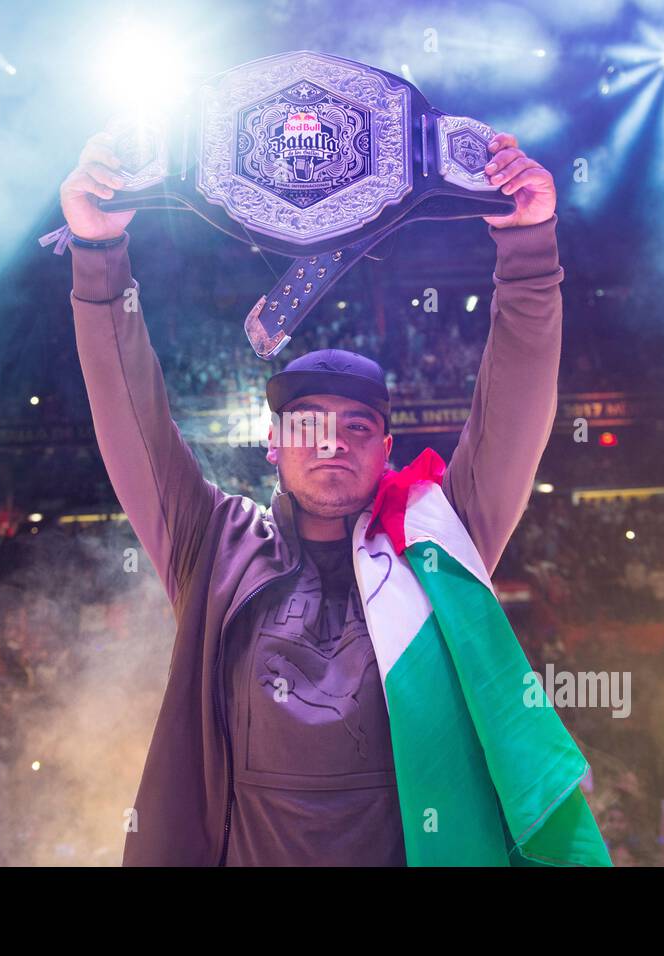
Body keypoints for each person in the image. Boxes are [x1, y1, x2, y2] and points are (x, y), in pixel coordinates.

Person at [62, 126, 563, 865]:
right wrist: (98, 255)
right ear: (273, 444)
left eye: (357, 427)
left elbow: (514, 413)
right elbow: (130, 418)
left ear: (387, 449)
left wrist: (528, 249)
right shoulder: (213, 544)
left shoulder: (435, 545)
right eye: (307, 425)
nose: (332, 442)